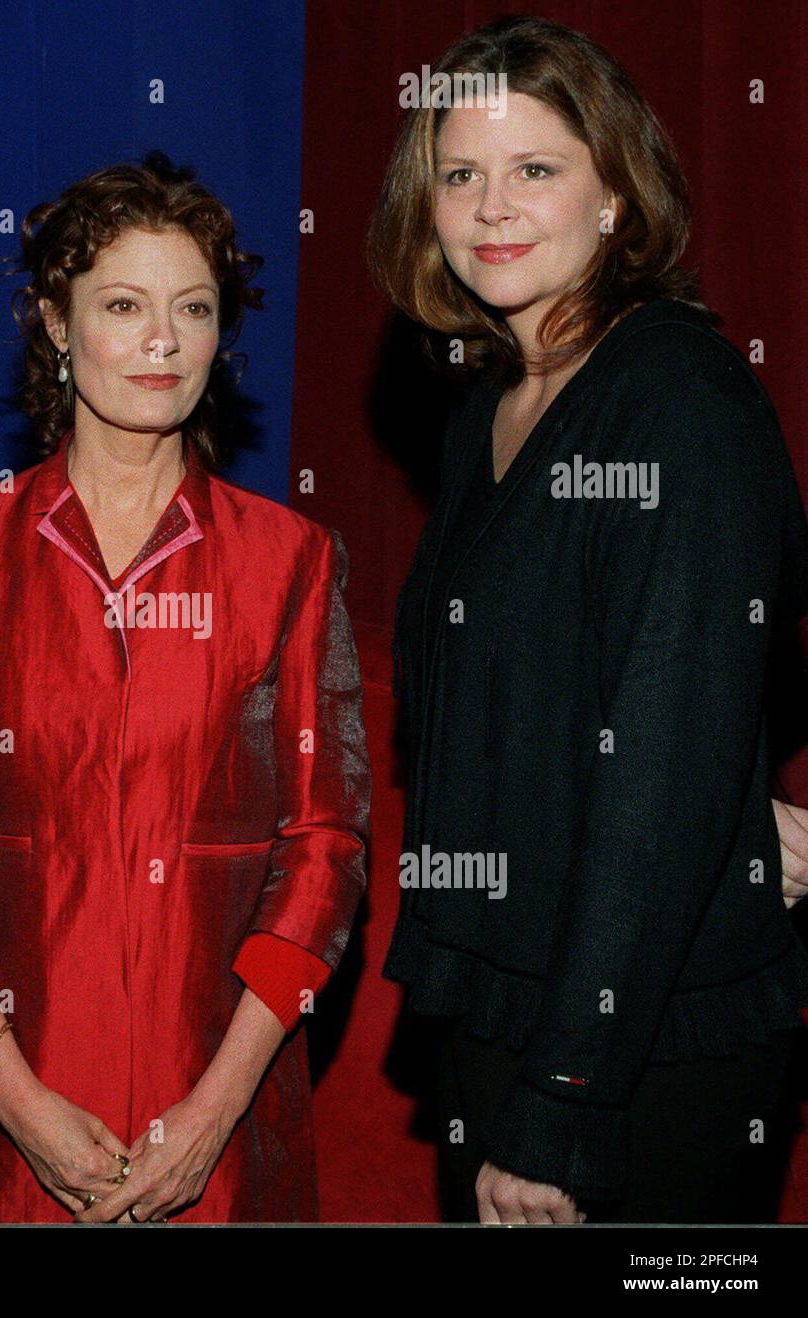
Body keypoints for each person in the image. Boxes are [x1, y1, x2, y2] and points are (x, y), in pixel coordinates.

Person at [370, 17, 808, 1224]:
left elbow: (659, 764)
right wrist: (737, 806)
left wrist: (563, 1098)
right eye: (460, 173)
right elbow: (554, 702)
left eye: (537, 169)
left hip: (634, 1053)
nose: (491, 206)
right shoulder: (489, 411)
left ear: (614, 194)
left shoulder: (677, 405)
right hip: (517, 998)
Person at [0, 153, 370, 1222]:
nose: (162, 339)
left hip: (221, 1117)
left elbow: (327, 847)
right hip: (2, 1115)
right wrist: (10, 1092)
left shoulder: (288, 560)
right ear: (56, 326)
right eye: (122, 304)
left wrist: (213, 1111)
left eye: (192, 308)